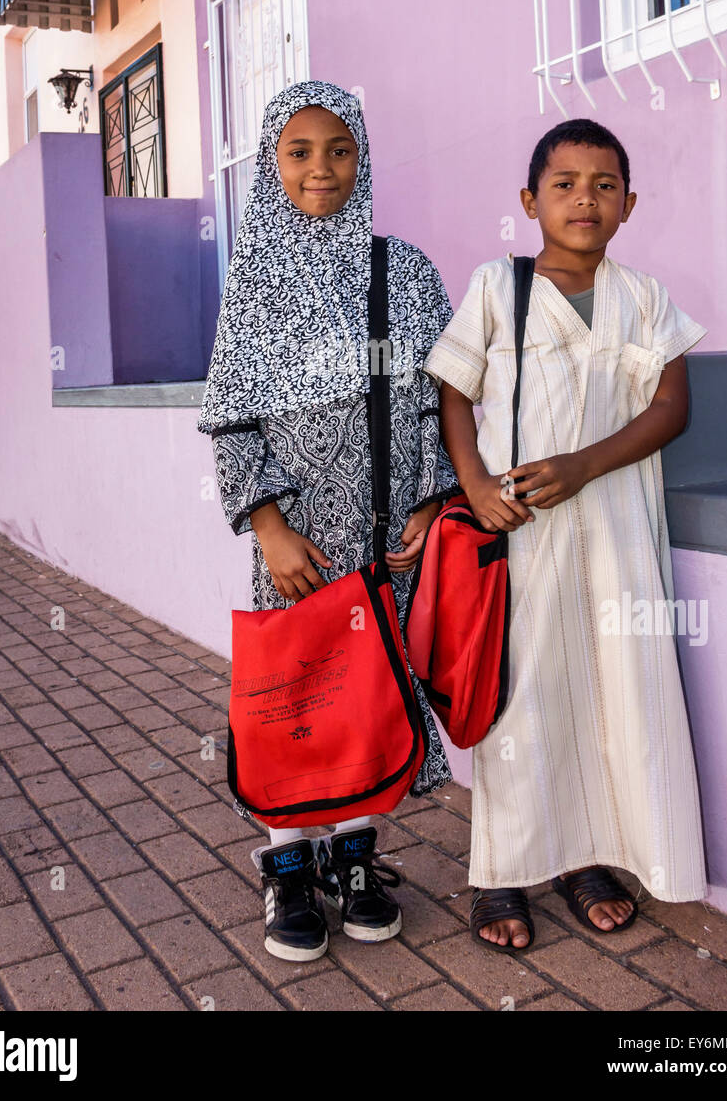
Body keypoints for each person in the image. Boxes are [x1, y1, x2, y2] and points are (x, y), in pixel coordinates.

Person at [423, 117, 708, 954]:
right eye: (565, 183)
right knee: (526, 696)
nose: (585, 197)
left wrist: (584, 467)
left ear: (629, 204)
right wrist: (474, 486)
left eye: (605, 185)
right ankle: (501, 873)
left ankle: (587, 859)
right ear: (530, 200)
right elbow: (453, 394)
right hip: (523, 533)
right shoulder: (496, 287)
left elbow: (670, 408)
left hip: (618, 530)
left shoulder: (645, 297)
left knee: (616, 692)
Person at [196, 79, 459, 962]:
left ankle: (353, 856)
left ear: (364, 160)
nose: (322, 169)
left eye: (339, 150)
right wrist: (266, 526)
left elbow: (441, 401)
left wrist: (433, 496)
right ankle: (285, 870)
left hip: (387, 530)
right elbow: (232, 415)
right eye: (299, 152)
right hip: (297, 540)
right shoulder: (257, 284)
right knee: (290, 699)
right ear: (272, 166)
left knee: (370, 695)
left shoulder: (406, 271)